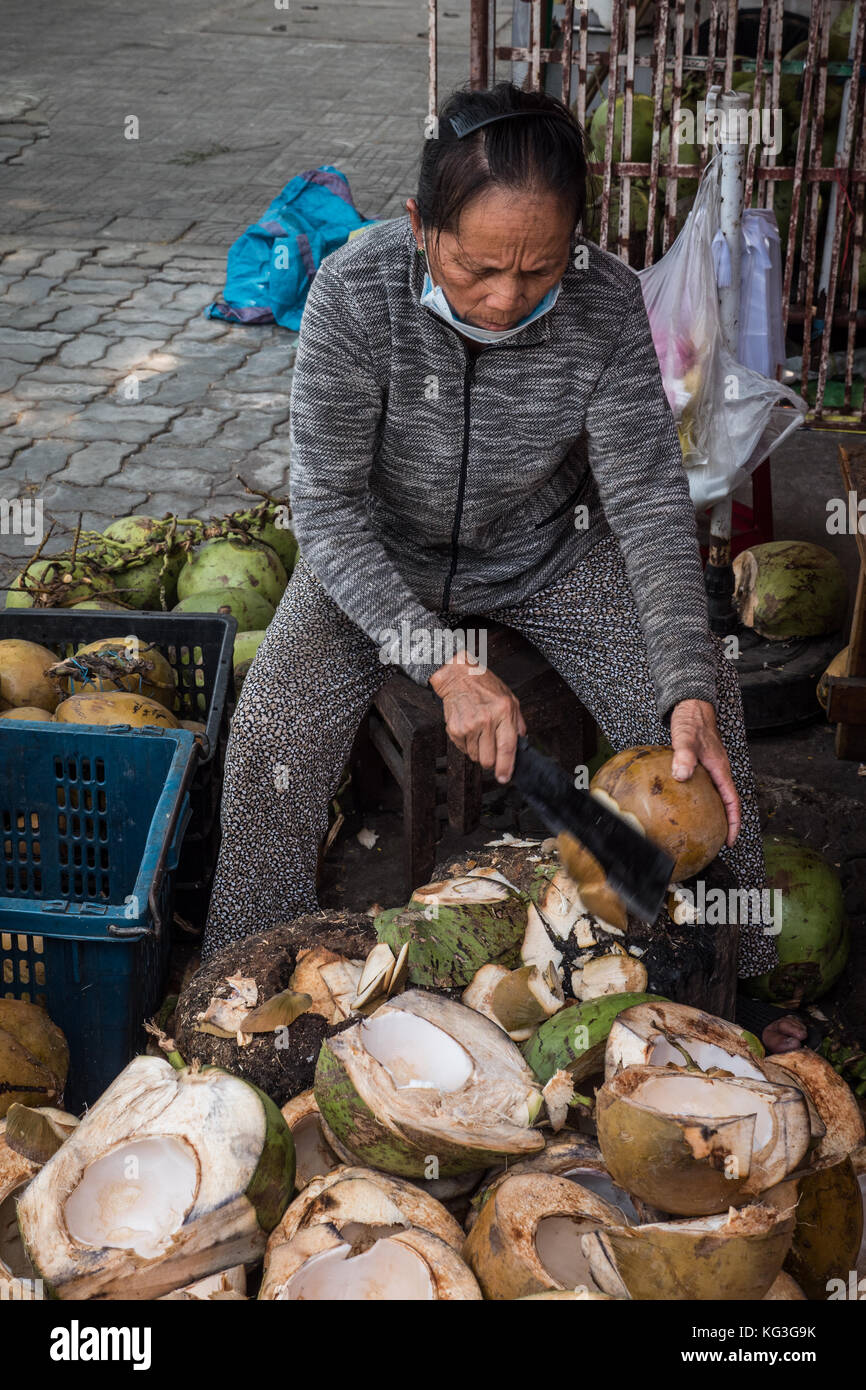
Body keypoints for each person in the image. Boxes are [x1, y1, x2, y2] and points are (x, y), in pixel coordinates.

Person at [203, 82, 804, 1054]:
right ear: (416, 225)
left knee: (700, 721)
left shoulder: (604, 303)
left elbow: (647, 504)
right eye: (476, 266)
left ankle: (733, 986)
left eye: (538, 268)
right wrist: (442, 661)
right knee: (269, 745)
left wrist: (687, 682)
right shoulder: (355, 294)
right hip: (378, 560)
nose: (504, 297)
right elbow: (321, 510)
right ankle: (233, 1008)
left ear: (577, 238)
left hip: (546, 551)